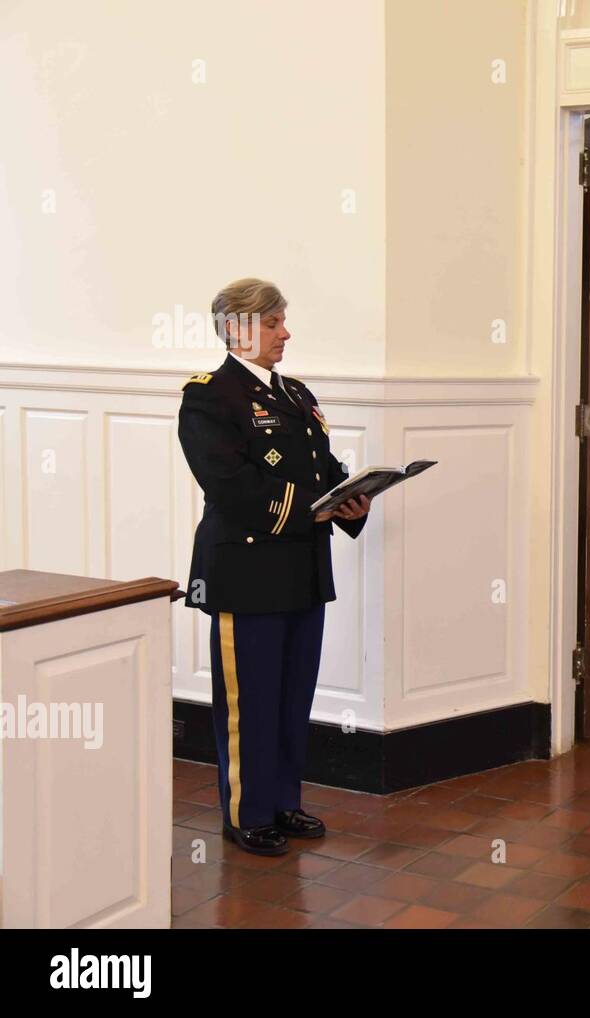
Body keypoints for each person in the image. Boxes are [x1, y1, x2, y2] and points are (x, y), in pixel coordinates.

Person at [179, 277, 370, 856]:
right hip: (248, 571)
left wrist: (349, 499)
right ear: (236, 328)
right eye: (272, 323)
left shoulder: (294, 393)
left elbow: (322, 466)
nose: (285, 333)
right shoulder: (210, 395)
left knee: (292, 697)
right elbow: (229, 484)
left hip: (302, 571)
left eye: (282, 320)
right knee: (249, 702)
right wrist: (307, 512)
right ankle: (247, 812)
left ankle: (284, 801)